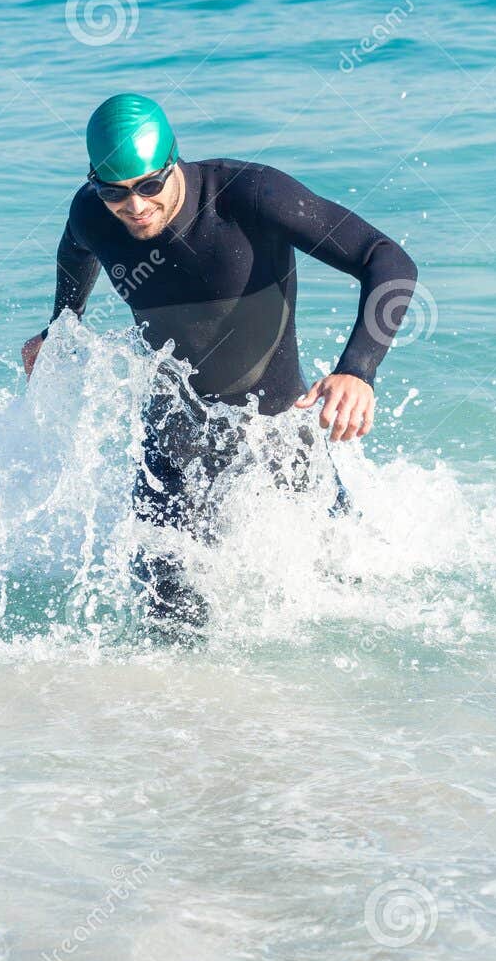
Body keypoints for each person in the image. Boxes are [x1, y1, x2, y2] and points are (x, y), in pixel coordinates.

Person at [23, 93, 418, 629]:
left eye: (149, 186)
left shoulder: (250, 197)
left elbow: (387, 260)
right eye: (114, 191)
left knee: (348, 597)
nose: (134, 206)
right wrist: (60, 326)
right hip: (171, 443)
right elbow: (75, 252)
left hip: (276, 435)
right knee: (166, 621)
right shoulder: (92, 211)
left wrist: (357, 370)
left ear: (172, 162)